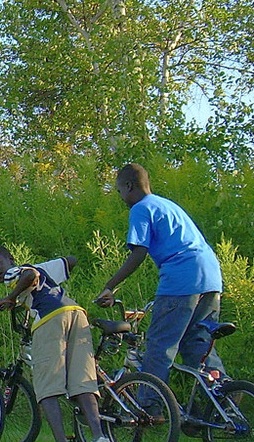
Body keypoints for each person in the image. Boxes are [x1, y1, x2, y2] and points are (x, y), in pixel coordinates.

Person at [94, 163, 226, 382]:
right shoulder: (167, 205)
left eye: (119, 191)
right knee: (198, 345)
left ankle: (150, 412)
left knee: (159, 350)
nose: (121, 197)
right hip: (211, 277)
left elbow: (138, 253)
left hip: (182, 279)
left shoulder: (141, 208)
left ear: (128, 186)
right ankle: (224, 402)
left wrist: (110, 286)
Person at [0, 246, 115, 442]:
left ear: (10, 259)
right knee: (81, 381)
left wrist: (12, 297)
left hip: (50, 319)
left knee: (47, 386)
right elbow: (71, 258)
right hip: (76, 313)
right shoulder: (43, 269)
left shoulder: (13, 274)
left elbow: (30, 275)